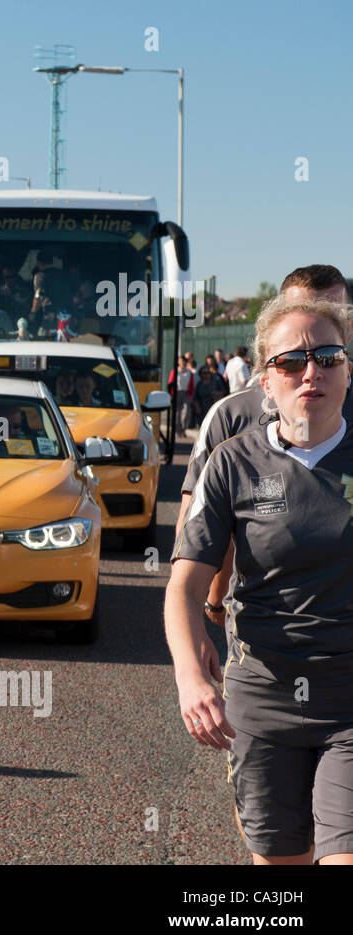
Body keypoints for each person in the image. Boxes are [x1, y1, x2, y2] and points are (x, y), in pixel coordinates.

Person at [167, 295, 353, 865]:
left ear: (349, 369)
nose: (311, 372)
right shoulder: (232, 463)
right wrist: (191, 678)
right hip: (263, 698)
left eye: (327, 356)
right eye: (291, 362)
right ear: (264, 381)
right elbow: (184, 586)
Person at [176, 265, 352, 629]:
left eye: (337, 313)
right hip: (258, 639)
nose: (319, 323)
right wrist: (211, 602)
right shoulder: (231, 415)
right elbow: (195, 530)